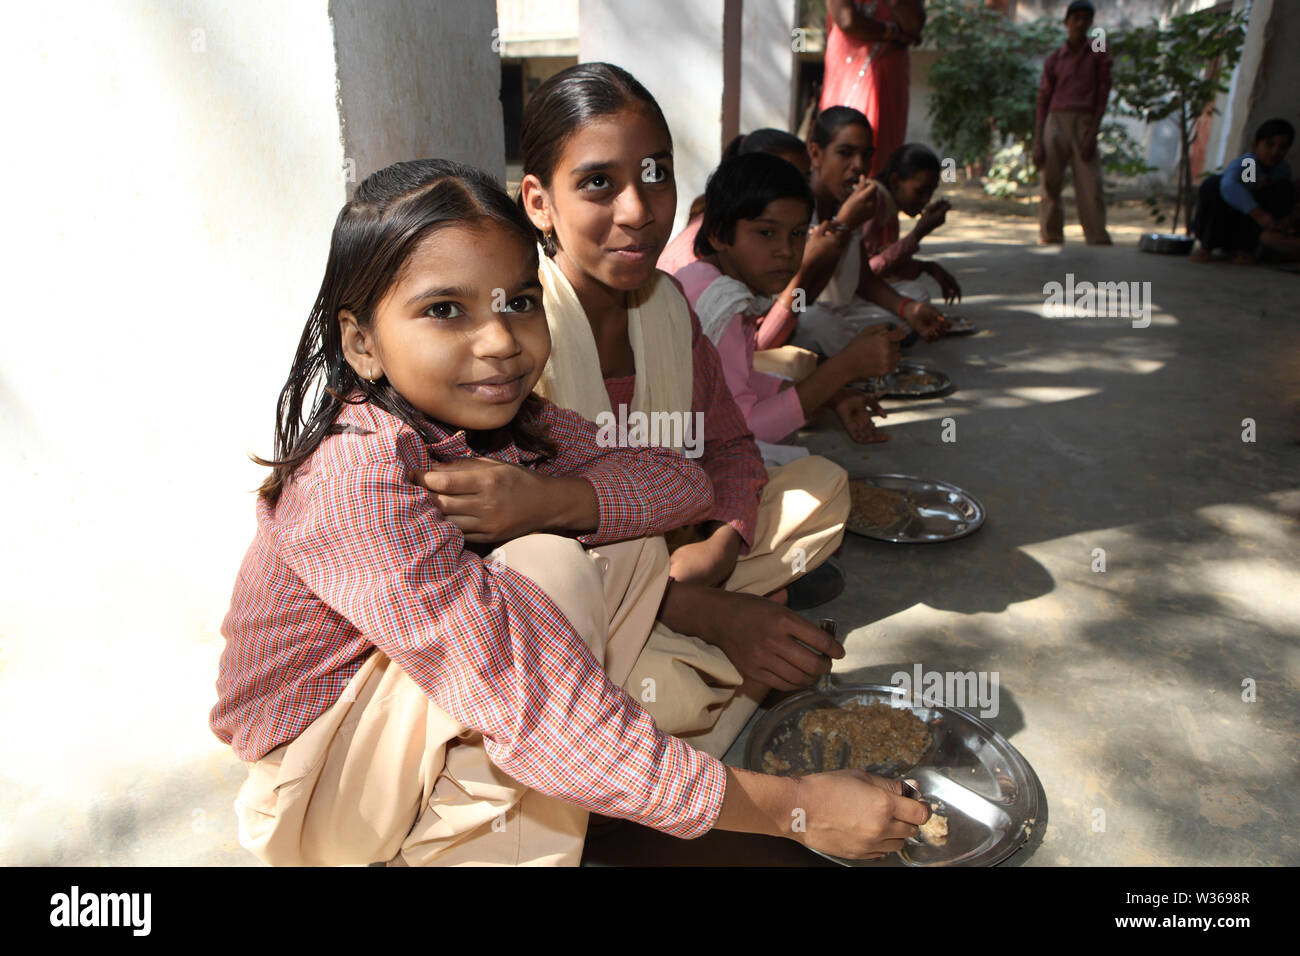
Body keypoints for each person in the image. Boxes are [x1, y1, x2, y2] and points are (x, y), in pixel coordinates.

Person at [211, 157, 929, 866]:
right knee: (549, 574)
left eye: (518, 302)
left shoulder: (513, 421)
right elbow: (533, 704)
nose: (498, 342)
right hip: (319, 797)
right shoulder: (353, 477)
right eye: (444, 310)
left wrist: (548, 499)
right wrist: (795, 808)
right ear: (362, 343)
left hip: (456, 723)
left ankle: (593, 774)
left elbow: (684, 484)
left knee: (623, 545)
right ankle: (529, 816)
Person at [516, 62, 855, 752]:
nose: (638, 210)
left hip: (683, 551)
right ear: (538, 202)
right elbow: (513, 549)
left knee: (824, 489)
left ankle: (692, 665)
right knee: (669, 696)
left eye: (656, 173)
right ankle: (703, 659)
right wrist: (694, 607)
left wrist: (723, 542)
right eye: (597, 183)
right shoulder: (513, 332)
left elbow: (731, 447)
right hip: (576, 601)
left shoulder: (669, 310)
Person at [676, 152, 908, 447]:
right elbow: (741, 434)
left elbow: (741, 379)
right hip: (677, 455)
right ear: (719, 234)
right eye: (766, 232)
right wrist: (842, 369)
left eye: (797, 233)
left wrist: (831, 395)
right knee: (811, 466)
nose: (785, 250)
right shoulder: (720, 301)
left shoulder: (708, 278)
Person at [792, 106, 948, 357]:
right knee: (815, 321)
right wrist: (844, 225)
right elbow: (799, 290)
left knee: (917, 296)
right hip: (798, 309)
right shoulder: (795, 203)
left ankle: (857, 351)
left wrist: (908, 309)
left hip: (843, 309)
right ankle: (857, 359)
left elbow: (865, 280)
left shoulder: (847, 201)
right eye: (845, 153)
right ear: (815, 153)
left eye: (866, 156)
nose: (858, 166)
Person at [1033, 0, 1113, 246]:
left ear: (1090, 23)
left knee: (1090, 183)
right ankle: (1051, 234)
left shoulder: (1098, 54)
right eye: (1075, 18)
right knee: (1051, 181)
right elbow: (1043, 98)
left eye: (1085, 18)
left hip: (1085, 121)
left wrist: (1093, 132)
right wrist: (1038, 141)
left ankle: (1096, 235)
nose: (1080, 23)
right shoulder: (1055, 58)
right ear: (1066, 23)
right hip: (1055, 120)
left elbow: (1102, 94)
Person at [820, 0, 925, 180]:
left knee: (883, 154)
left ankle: (878, 203)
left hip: (889, 76)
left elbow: (913, 25)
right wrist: (893, 33)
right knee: (842, 140)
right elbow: (847, 21)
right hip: (849, 69)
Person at [1191, 118, 1299, 265]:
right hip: (1224, 221)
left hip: (1248, 229)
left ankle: (1247, 249)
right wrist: (1259, 214)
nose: (1275, 152)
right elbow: (1229, 186)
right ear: (1255, 145)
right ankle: (1206, 246)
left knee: (1284, 188)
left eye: (1282, 147)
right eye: (1270, 145)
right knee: (1213, 184)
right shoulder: (1249, 164)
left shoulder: (1281, 170)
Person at [865, 143, 962, 306]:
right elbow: (869, 270)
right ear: (895, 182)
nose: (926, 200)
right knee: (917, 296)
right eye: (920, 192)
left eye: (930, 192)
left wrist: (927, 267)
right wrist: (918, 233)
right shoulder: (875, 200)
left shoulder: (888, 206)